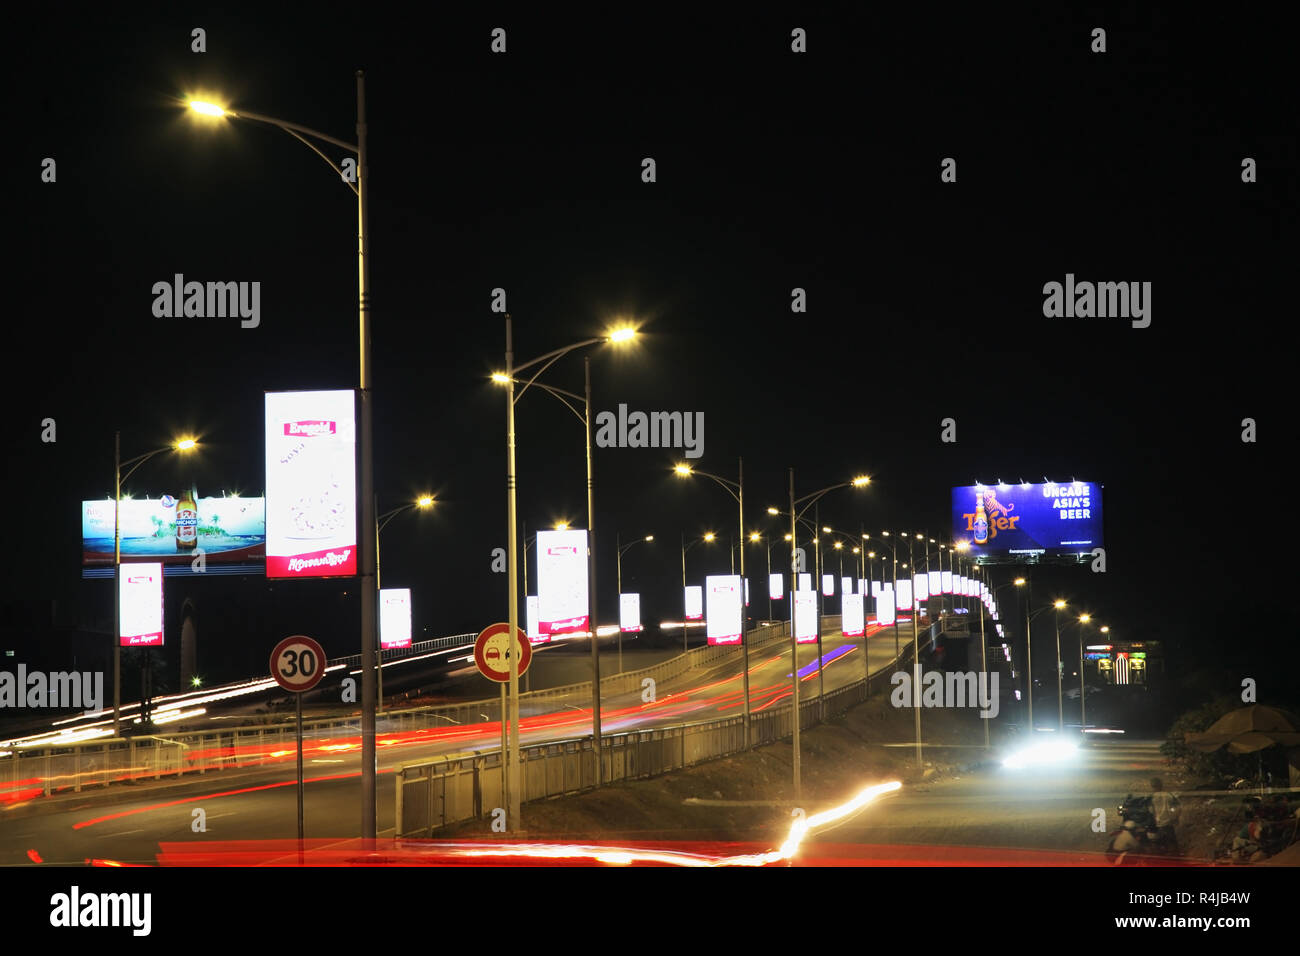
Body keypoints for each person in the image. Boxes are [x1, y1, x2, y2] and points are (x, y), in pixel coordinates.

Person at [1149, 777, 1180, 853]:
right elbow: (1177, 807)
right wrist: (1174, 816)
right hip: (1168, 823)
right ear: (1161, 785)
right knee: (1172, 844)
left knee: (1160, 846)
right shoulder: (1168, 795)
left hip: (1158, 824)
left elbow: (1150, 811)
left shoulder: (1151, 797)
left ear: (1152, 786)